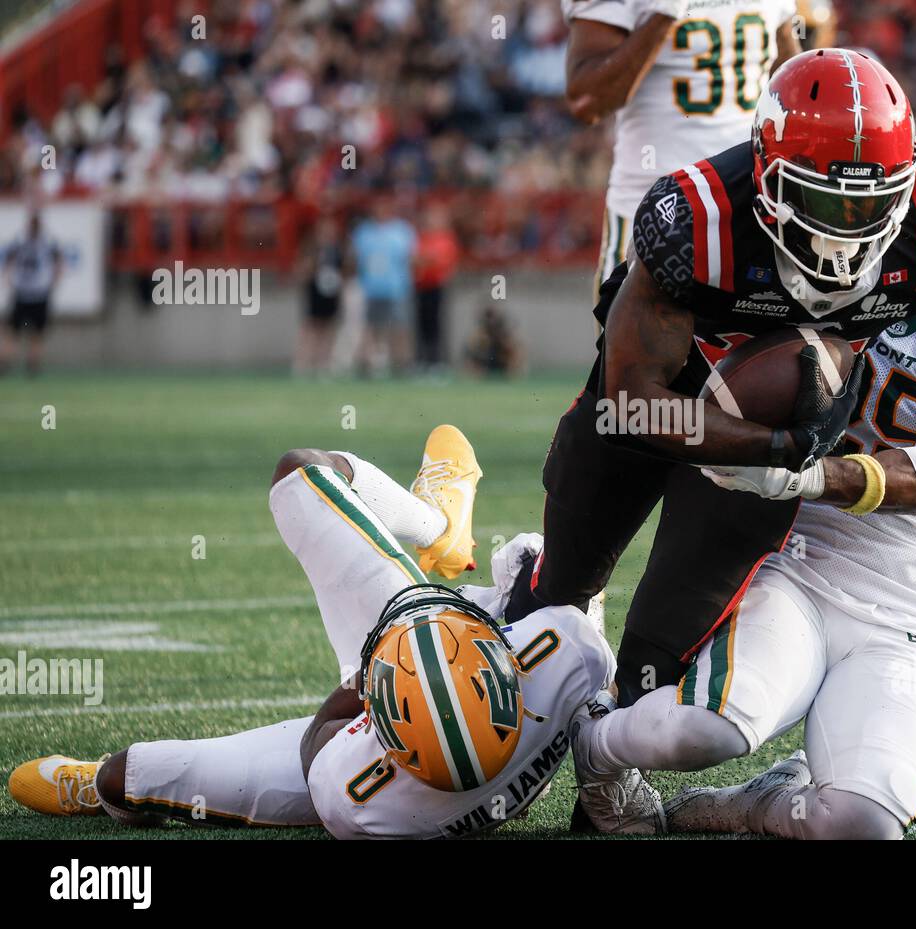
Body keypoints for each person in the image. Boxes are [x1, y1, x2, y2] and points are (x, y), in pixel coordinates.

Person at [504, 50, 916, 741]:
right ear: (769, 172)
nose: (849, 223)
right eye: (828, 198)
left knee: (657, 656)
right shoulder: (696, 217)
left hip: (770, 413)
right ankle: (525, 594)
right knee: (556, 599)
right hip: (666, 396)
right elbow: (632, 403)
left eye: (872, 200)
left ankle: (606, 769)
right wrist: (778, 450)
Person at [568, 116, 916, 839]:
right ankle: (596, 744)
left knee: (864, 823)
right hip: (798, 567)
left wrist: (800, 475)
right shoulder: (851, 265)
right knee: (701, 731)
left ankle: (751, 805)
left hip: (908, 607)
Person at [7, 428, 659, 838]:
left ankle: (93, 784)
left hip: (381, 708)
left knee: (126, 777)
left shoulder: (359, 791)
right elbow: (583, 667)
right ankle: (437, 525)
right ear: (501, 663)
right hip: (457, 670)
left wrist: (360, 681)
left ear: (377, 719)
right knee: (530, 556)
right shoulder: (560, 650)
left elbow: (323, 739)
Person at [562, 0, 802, 294]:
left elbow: (790, 82)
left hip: (746, 209)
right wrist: (662, 14)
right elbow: (587, 101)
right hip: (651, 215)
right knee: (629, 335)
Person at [351, 194, 416, 377]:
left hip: (396, 288)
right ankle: (365, 364)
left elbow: (410, 258)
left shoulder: (402, 231)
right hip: (372, 288)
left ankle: (402, 365)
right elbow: (356, 259)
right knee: (371, 328)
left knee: (399, 328)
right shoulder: (364, 232)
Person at [1, 212, 63, 376]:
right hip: (37, 293)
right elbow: (58, 263)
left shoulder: (20, 242)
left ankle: (8, 364)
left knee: (14, 332)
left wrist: (8, 279)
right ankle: (31, 366)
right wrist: (54, 281)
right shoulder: (46, 243)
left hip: (23, 292)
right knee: (35, 333)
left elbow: (8, 262)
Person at [293, 215, 347, 376]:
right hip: (314, 291)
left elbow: (345, 270)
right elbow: (301, 271)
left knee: (328, 329)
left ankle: (324, 364)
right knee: (311, 328)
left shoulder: (337, 250)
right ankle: (303, 364)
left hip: (331, 293)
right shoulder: (311, 249)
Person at [412, 203, 460, 373]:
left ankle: (436, 362)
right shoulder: (422, 238)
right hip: (421, 286)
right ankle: (421, 361)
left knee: (436, 326)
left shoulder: (446, 239)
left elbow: (441, 262)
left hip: (436, 287)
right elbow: (416, 260)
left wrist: (426, 260)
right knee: (420, 325)